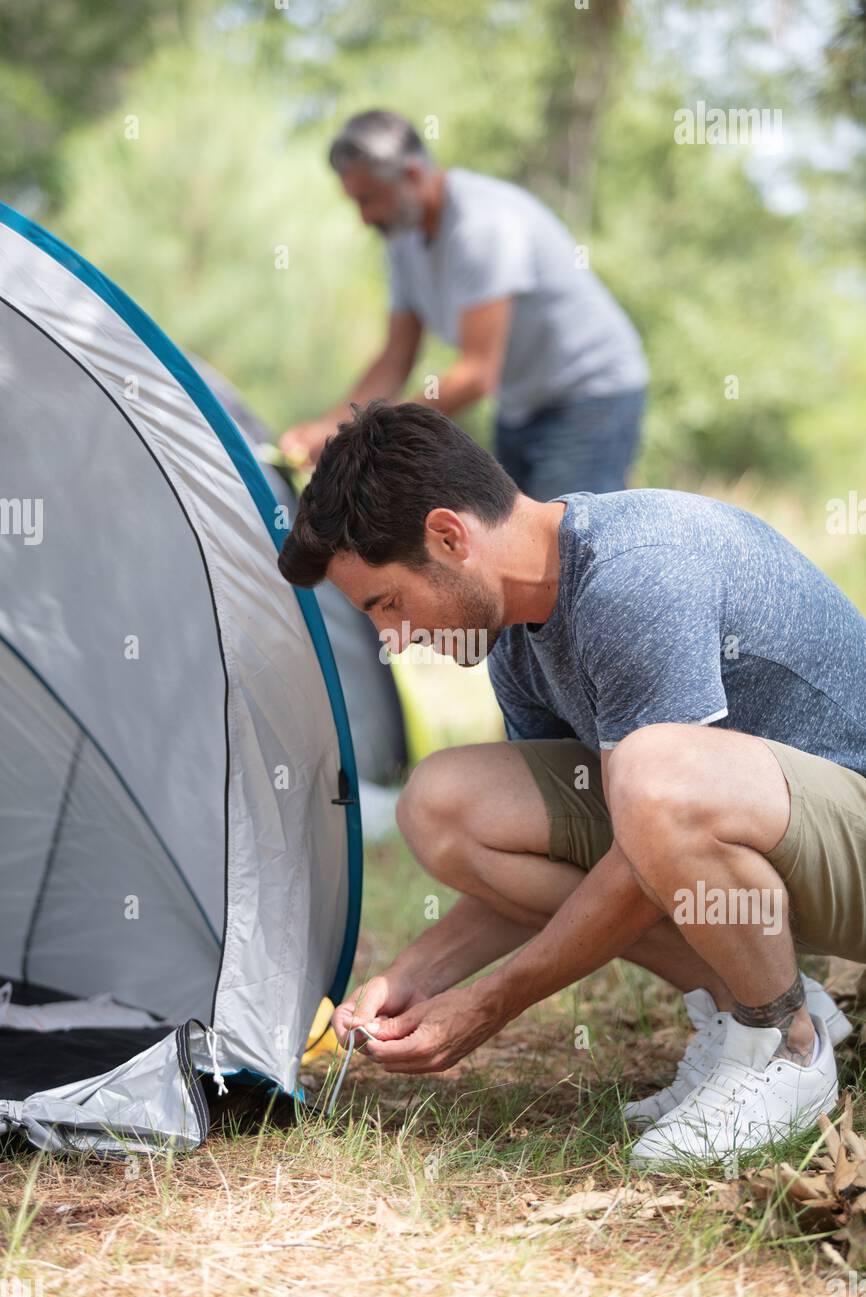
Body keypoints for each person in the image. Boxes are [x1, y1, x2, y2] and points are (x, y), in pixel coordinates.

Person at [278, 400, 866, 1170]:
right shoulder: (518, 638)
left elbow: (650, 830)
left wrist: (492, 1002)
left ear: (449, 537)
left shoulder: (633, 573)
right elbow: (590, 859)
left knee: (656, 774)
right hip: (771, 847)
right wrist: (416, 976)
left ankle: (786, 1045)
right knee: (445, 803)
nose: (394, 637)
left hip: (848, 836)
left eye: (387, 604)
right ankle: (747, 1006)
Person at [280, 109, 648, 500]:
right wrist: (331, 430)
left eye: (369, 200)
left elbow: (476, 374)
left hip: (591, 393)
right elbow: (395, 358)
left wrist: (372, 438)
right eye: (356, 202)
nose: (364, 218)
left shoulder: (480, 226)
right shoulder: (401, 238)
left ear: (412, 175)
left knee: (565, 542)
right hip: (520, 403)